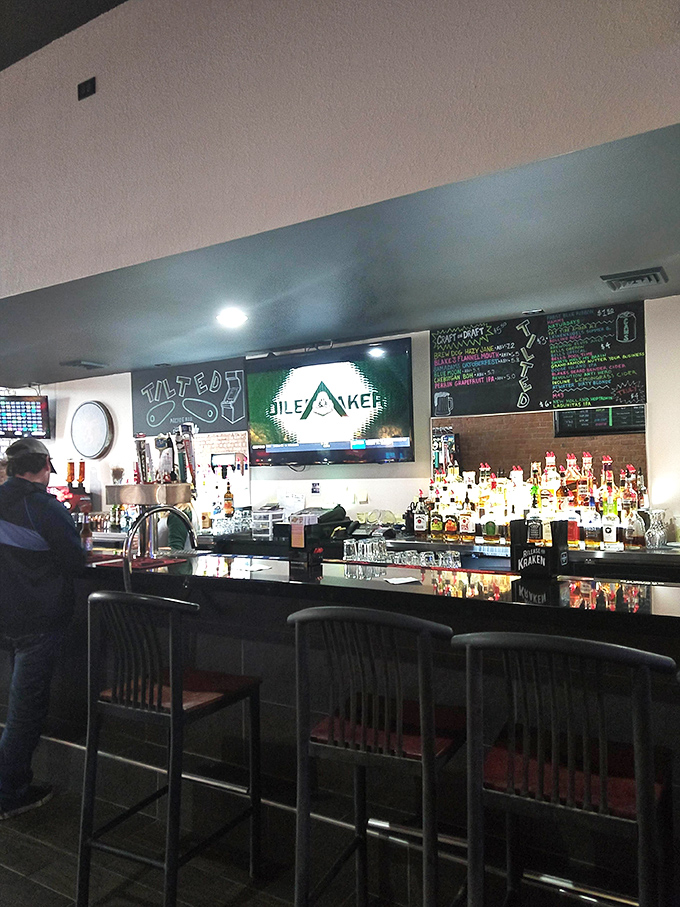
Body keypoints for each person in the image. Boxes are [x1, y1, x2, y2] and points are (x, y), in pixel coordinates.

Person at [0, 437, 85, 819]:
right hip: (38, 619)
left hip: (7, 618)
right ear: (45, 465)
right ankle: (8, 792)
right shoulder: (43, 508)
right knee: (24, 711)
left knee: (15, 705)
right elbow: (74, 561)